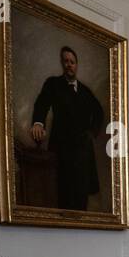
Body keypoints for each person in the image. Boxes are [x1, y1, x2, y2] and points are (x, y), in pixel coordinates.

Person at [30, 46, 104, 210]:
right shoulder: (53, 84)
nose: (69, 65)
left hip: (83, 153)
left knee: (81, 199)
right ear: (62, 64)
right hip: (61, 149)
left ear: (76, 65)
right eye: (66, 61)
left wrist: (92, 132)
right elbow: (42, 103)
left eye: (72, 62)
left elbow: (98, 112)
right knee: (61, 197)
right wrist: (38, 123)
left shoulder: (85, 91)